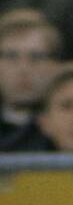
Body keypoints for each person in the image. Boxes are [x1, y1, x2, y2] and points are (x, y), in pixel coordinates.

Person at [0, 9, 61, 152]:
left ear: (55, 66)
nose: (23, 68)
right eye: (11, 57)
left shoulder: (69, 128)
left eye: (36, 57)